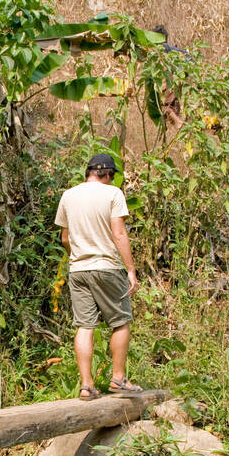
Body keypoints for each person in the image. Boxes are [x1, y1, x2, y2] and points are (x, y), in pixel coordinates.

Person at [54, 153, 141, 400]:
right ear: (107, 175)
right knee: (121, 321)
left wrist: (79, 258)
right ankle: (118, 378)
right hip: (107, 267)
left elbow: (64, 238)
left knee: (84, 325)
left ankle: (86, 385)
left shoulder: (68, 195)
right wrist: (131, 270)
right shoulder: (113, 194)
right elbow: (119, 234)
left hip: (78, 269)